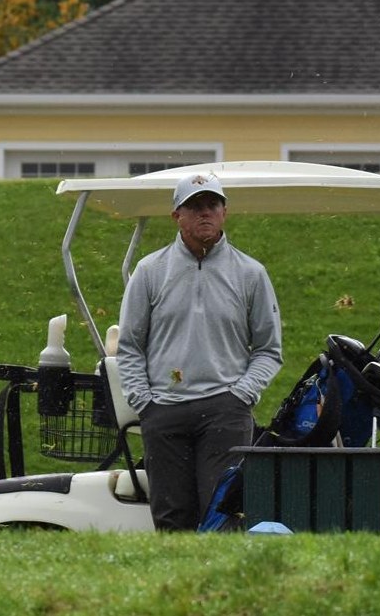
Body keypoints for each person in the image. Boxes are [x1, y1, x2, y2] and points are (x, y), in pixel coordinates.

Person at [116, 171, 282, 530]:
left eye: (212, 205)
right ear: (177, 216)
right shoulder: (150, 271)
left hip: (225, 409)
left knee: (221, 515)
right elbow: (129, 347)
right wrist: (145, 402)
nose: (204, 213)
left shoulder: (251, 274)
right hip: (164, 409)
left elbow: (268, 349)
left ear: (224, 212)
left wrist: (242, 395)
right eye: (194, 207)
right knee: (171, 517)